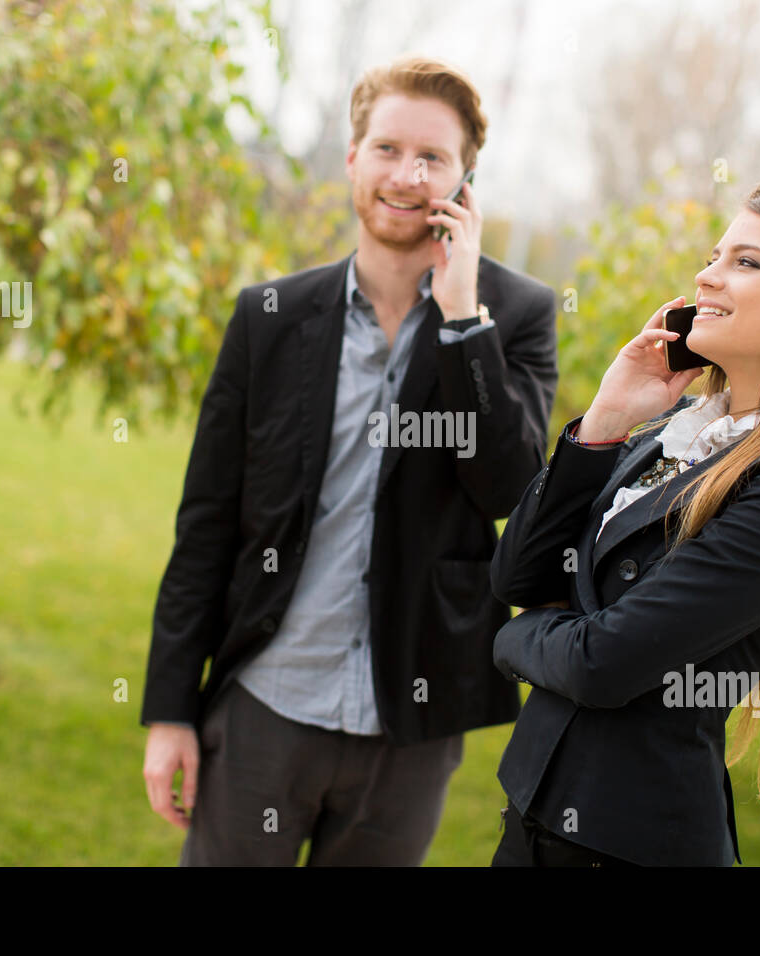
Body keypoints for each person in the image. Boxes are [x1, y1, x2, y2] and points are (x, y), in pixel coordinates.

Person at [140, 55, 559, 866]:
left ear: (466, 178)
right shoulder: (268, 316)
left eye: (433, 157)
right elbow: (206, 522)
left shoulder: (516, 315)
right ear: (352, 160)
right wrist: (168, 711)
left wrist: (463, 323)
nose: (407, 175)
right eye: (388, 149)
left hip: (412, 720)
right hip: (266, 700)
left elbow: (507, 486)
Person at [488, 178, 760, 866]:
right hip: (533, 816)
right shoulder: (676, 427)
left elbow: (602, 664)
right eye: (713, 255)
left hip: (629, 846)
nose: (707, 276)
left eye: (746, 262)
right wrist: (606, 422)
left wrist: (512, 637)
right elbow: (518, 571)